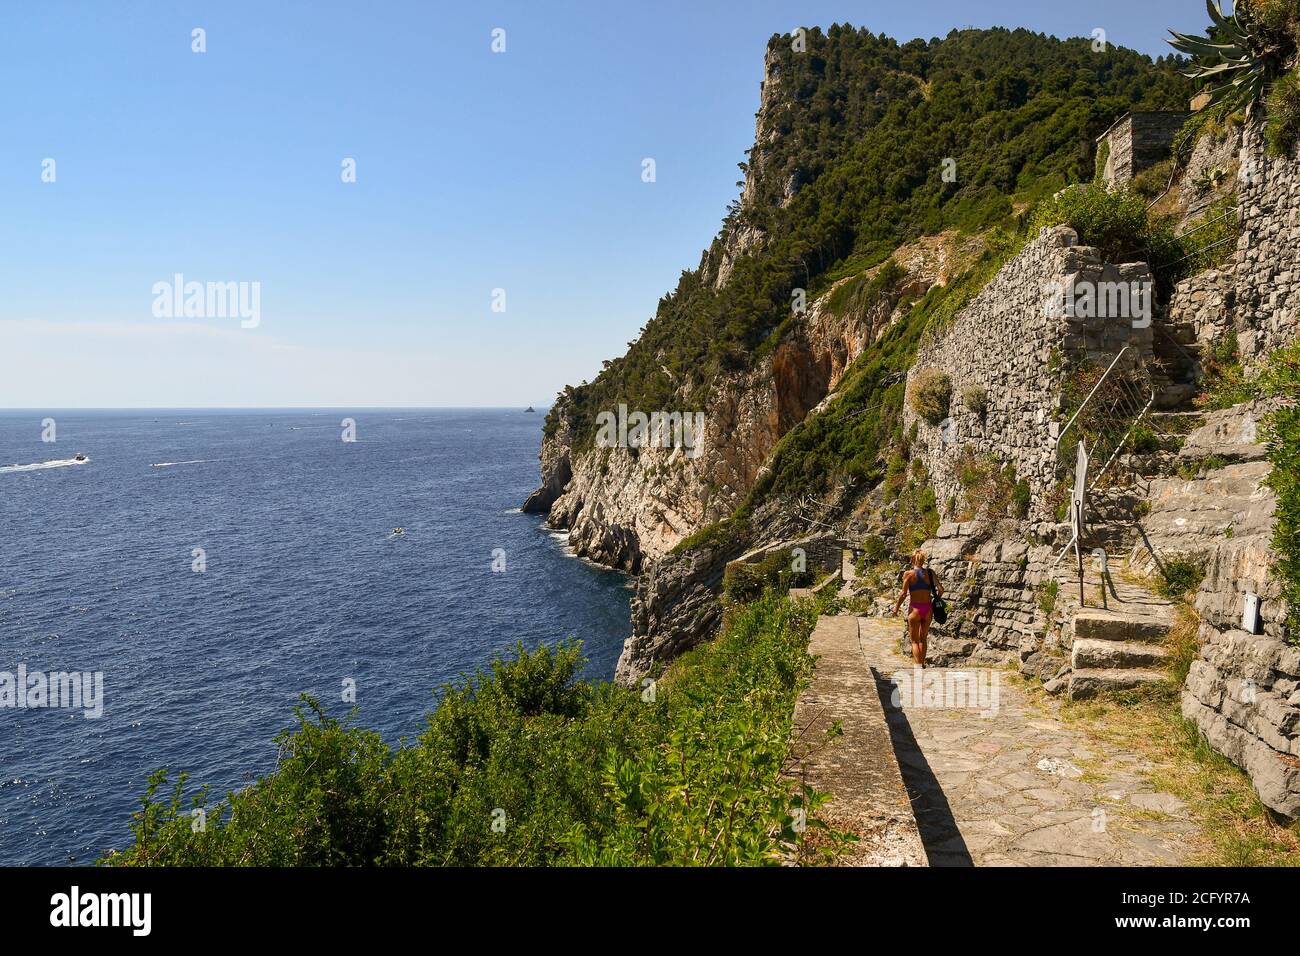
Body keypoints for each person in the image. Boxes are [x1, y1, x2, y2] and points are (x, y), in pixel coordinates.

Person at [892, 549, 942, 667]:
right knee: (923, 638)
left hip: (915, 609)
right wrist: (936, 599)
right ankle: (922, 663)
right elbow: (941, 589)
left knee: (914, 641)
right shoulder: (930, 573)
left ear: (913, 559)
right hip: (927, 609)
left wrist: (896, 608)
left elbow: (903, 594)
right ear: (923, 560)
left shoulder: (908, 574)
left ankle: (918, 665)